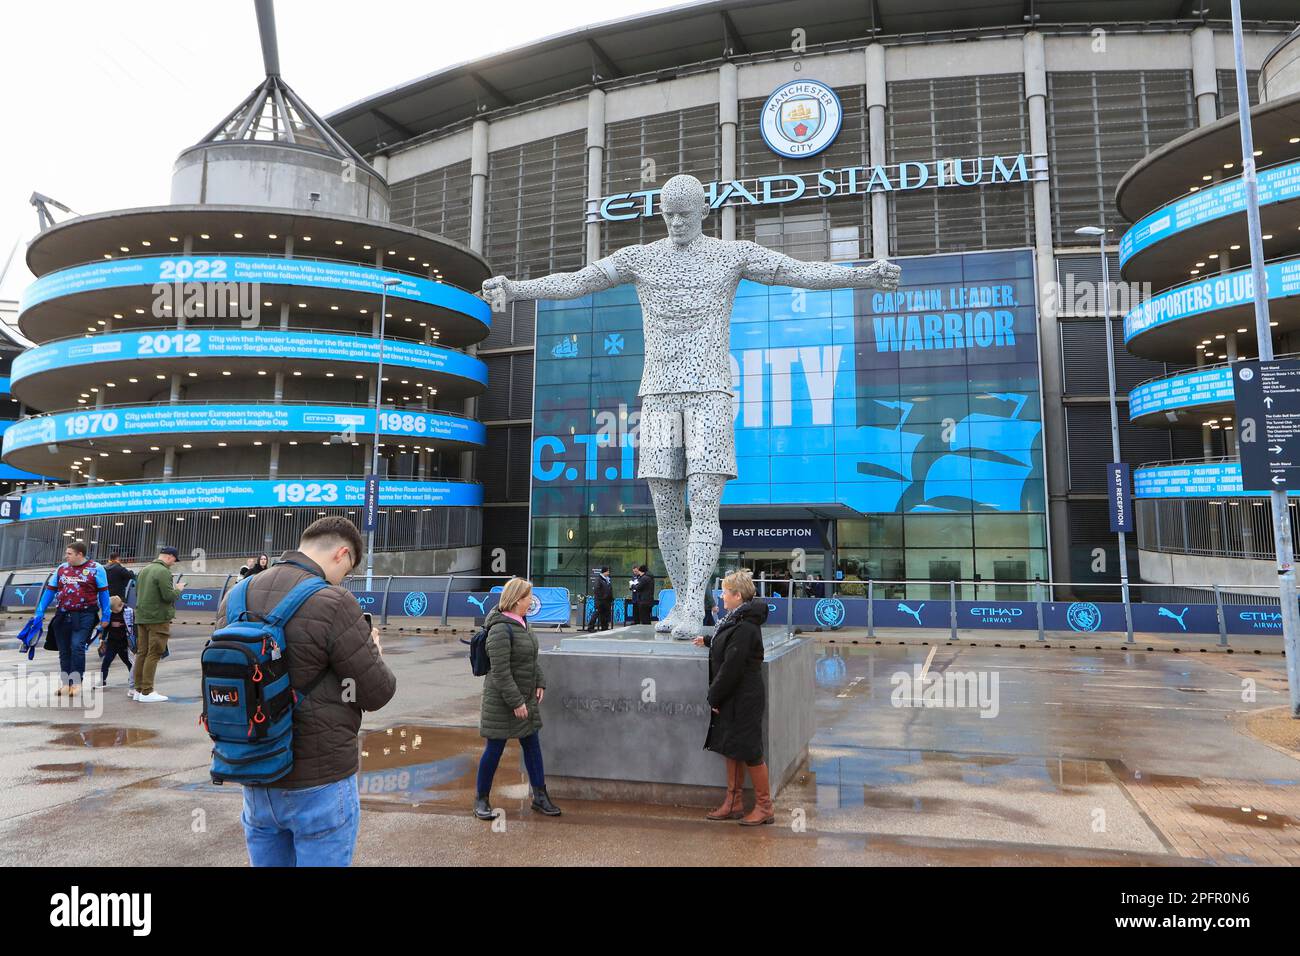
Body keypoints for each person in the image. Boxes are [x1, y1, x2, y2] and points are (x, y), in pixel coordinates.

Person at [482, 174, 900, 640]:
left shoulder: (731, 255)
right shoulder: (642, 258)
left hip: (710, 393)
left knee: (703, 504)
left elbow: (796, 271)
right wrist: (515, 288)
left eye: (685, 213)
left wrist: (863, 274)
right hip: (658, 394)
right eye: (669, 214)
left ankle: (693, 604)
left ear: (704, 210)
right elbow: (578, 281)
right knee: (665, 510)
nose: (677, 222)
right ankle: (684, 601)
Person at [219, 516, 396, 867]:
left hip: (254, 773)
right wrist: (374, 650)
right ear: (342, 554)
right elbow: (377, 692)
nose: (342, 579)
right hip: (319, 780)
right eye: (347, 570)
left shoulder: (236, 596)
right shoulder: (334, 601)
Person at [474, 576, 560, 821]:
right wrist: (516, 702)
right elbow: (500, 671)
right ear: (516, 600)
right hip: (503, 702)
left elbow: (531, 657)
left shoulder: (522, 623)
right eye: (528, 597)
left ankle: (540, 797)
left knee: (532, 746)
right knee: (494, 749)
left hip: (524, 697)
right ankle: (481, 800)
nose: (531, 601)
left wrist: (540, 681)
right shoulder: (500, 629)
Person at [692, 569, 773, 826]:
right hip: (736, 696)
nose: (721, 596)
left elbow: (732, 666)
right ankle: (733, 803)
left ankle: (764, 807)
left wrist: (714, 696)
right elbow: (728, 643)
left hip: (743, 698)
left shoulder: (745, 626)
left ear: (737, 596)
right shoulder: (738, 620)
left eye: (725, 592)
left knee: (750, 751)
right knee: (732, 747)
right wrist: (708, 640)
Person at [30, 541, 111, 696]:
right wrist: (40, 611)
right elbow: (50, 590)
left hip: (85, 614)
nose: (66, 556)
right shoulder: (62, 568)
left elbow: (104, 593)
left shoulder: (96, 569)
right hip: (63, 614)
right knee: (64, 650)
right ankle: (66, 683)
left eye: (69, 553)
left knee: (77, 646)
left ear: (80, 554)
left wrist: (106, 615)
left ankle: (77, 682)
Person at [131, 546, 185, 703]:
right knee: (154, 653)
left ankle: (138, 690)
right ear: (169, 556)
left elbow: (138, 592)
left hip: (142, 616)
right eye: (174, 560)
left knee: (142, 652)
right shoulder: (163, 572)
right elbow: (168, 596)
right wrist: (178, 589)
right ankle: (147, 691)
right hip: (158, 618)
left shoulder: (144, 570)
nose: (173, 563)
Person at [98, 594, 134, 691]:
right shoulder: (110, 614)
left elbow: (133, 626)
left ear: (120, 605)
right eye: (112, 610)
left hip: (124, 643)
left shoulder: (128, 612)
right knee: (106, 662)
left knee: (129, 663)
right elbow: (106, 628)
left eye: (115, 610)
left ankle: (133, 679)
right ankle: (102, 681)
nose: (114, 612)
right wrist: (102, 639)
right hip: (112, 643)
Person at [591, 567, 613, 632]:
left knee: (604, 614)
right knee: (596, 613)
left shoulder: (607, 579)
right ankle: (590, 627)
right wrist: (602, 597)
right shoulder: (599, 579)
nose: (608, 573)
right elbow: (596, 590)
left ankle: (604, 627)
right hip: (600, 601)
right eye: (607, 572)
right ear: (604, 572)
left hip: (607, 601)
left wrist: (611, 598)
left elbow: (609, 589)